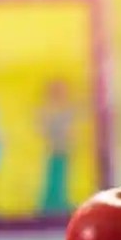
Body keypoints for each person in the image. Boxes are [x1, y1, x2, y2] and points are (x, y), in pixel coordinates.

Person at [38, 78, 75, 214]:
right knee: (55, 174)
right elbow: (45, 127)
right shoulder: (49, 110)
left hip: (62, 148)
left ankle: (56, 201)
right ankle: (51, 202)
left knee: (60, 175)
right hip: (55, 149)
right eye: (58, 91)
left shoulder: (64, 109)